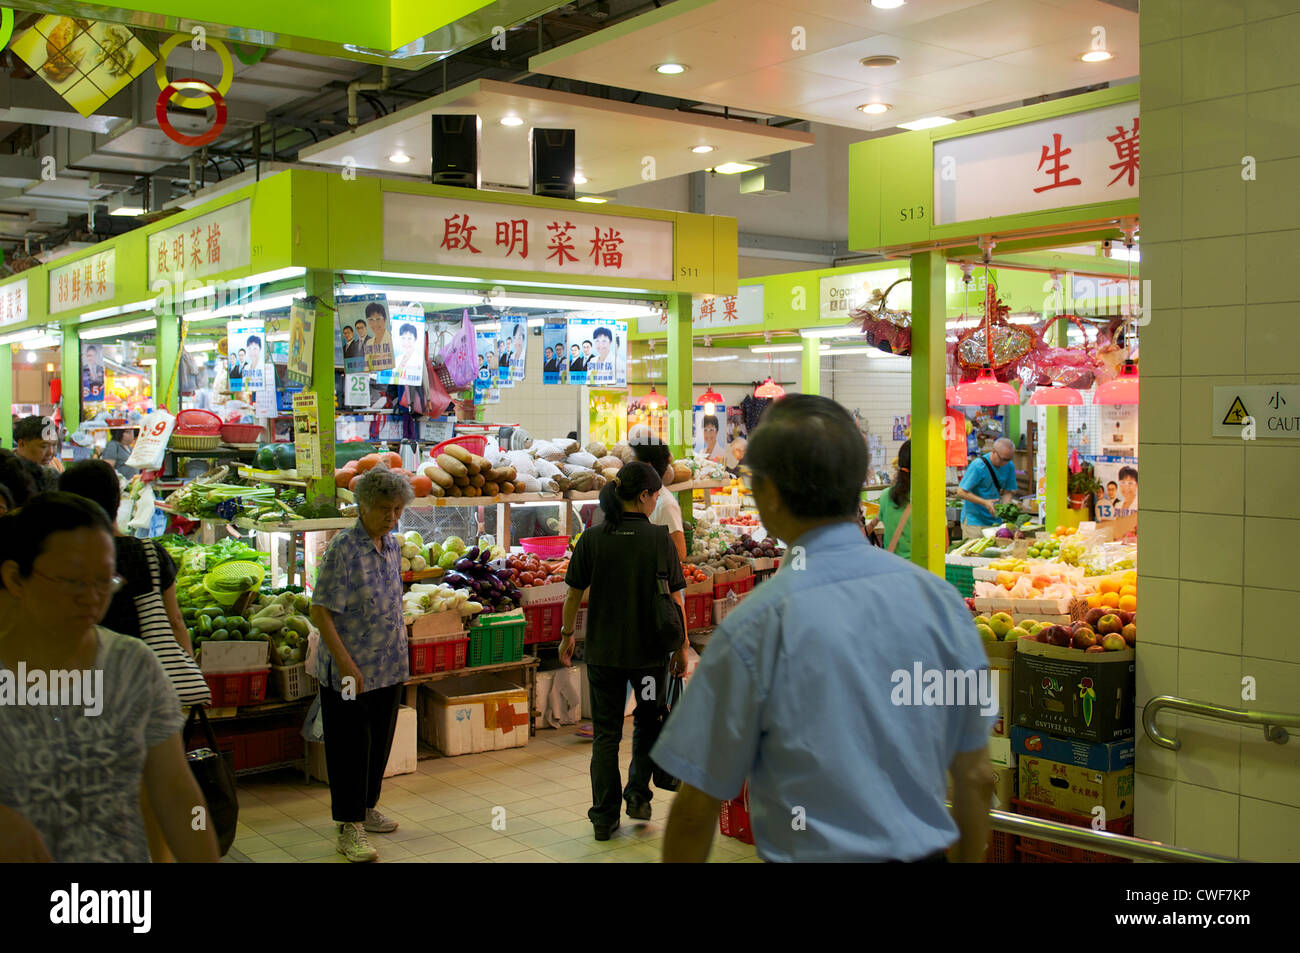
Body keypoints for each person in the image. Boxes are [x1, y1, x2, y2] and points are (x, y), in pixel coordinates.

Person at [651, 395, 995, 862]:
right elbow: (976, 778)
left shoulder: (755, 627)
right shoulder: (942, 605)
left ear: (770, 494)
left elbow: (696, 809)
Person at [0, 493, 220, 863]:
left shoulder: (132, 665)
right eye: (71, 581)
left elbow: (178, 796)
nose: (91, 598)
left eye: (104, 581)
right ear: (14, 579)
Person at [58, 460, 206, 861]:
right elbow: (176, 621)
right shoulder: (149, 553)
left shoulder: (66, 563)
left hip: (98, 693)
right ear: (116, 500)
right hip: (161, 685)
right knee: (158, 792)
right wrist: (186, 669)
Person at [559, 461, 688, 841]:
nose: (655, 503)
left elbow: (572, 594)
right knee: (648, 722)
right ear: (644, 496)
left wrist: (568, 635)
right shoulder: (660, 539)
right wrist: (682, 647)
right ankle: (637, 795)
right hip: (649, 659)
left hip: (603, 657)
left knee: (606, 735)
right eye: (655, 496)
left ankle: (603, 817)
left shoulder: (593, 538)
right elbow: (674, 598)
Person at [309, 467, 412, 863]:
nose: (391, 517)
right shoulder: (343, 548)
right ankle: (347, 827)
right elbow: (321, 612)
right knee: (349, 746)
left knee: (378, 742)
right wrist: (346, 663)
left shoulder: (392, 545)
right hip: (350, 670)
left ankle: (367, 808)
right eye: (385, 509)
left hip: (388, 664)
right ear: (363, 506)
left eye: (398, 509)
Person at [629, 431, 687, 562]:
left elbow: (679, 554)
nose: (628, 464)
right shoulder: (635, 496)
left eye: (632, 460)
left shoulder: (665, 504)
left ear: (647, 466)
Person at [955, 436, 1018, 538]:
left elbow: (1008, 491)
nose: (1005, 463)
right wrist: (985, 502)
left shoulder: (1009, 465)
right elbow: (961, 491)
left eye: (1009, 459)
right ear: (993, 451)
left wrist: (1005, 508)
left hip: (995, 521)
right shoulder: (978, 466)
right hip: (974, 521)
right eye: (1003, 459)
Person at [864, 440, 912, 558]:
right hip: (921, 570)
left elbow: (873, 525)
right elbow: (944, 544)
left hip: (894, 568)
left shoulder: (886, 495)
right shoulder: (929, 499)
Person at [12, 416, 59, 491]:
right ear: (22, 444)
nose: (51, 452)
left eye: (54, 445)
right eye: (44, 446)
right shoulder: (7, 468)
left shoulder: (55, 464)